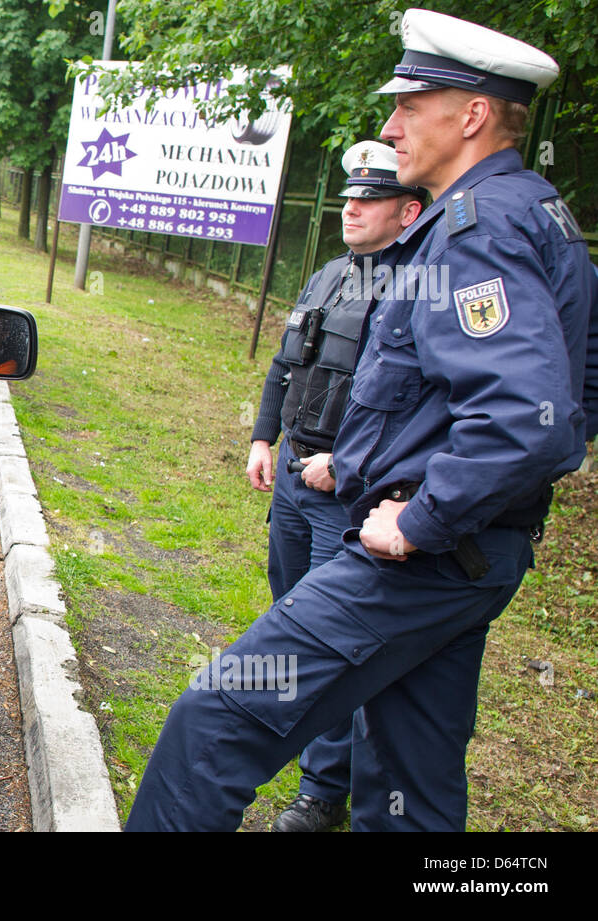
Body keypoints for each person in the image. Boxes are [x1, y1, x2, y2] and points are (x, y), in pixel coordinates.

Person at [127, 8, 596, 832]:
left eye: (409, 106)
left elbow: (529, 416)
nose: (391, 125)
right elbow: (575, 387)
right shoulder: (540, 213)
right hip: (478, 545)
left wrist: (420, 516)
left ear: (473, 114)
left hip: (424, 554)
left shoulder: (479, 229)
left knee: (217, 716)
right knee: (407, 784)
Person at [246, 140, 424, 831]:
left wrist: (344, 465)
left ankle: (322, 793)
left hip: (348, 496)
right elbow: (285, 366)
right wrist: (265, 436)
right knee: (291, 616)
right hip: (293, 478)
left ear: (407, 211)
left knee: (333, 643)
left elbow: (412, 407)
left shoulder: (416, 289)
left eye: (369, 198)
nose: (350, 206)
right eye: (348, 195)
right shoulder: (328, 275)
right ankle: (305, 750)